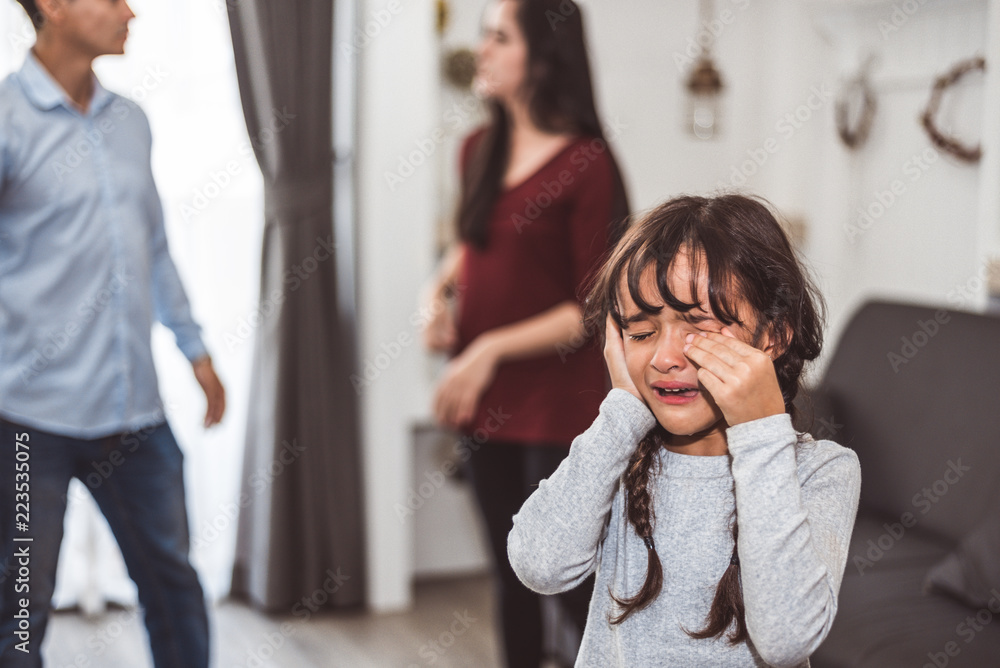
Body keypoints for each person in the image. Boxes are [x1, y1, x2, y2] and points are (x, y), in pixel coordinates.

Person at [507, 194, 862, 666]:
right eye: (640, 332)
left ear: (773, 336)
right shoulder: (618, 457)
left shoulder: (823, 472)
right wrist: (623, 410)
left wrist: (760, 430)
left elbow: (786, 638)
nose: (665, 358)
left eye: (698, 325)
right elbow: (540, 564)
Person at [0, 1, 225, 666]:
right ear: (55, 6)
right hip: (27, 422)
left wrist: (196, 348)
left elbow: (152, 248)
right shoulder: (7, 124)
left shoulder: (131, 122)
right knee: (16, 610)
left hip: (135, 417)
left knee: (175, 587)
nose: (132, 11)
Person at [422, 0, 629, 665]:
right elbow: (472, 240)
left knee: (566, 584)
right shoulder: (478, 149)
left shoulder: (589, 163)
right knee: (509, 574)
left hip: (557, 406)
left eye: (497, 37)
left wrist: (486, 349)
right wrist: (437, 290)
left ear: (542, 57)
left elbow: (593, 306)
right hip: (486, 401)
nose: (481, 50)